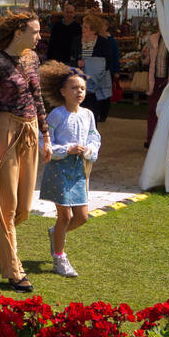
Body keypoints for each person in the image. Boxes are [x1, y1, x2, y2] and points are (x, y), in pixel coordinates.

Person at [0, 10, 52, 293]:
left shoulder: (31, 58)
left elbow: (38, 97)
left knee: (23, 208)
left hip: (30, 131)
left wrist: (46, 134)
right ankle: (14, 271)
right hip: (5, 129)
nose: (39, 36)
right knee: (6, 207)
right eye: (35, 31)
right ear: (19, 33)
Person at [38, 62, 101, 278]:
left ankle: (56, 234)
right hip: (59, 169)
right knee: (64, 215)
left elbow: (94, 136)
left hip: (79, 171)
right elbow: (44, 141)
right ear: (63, 92)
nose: (79, 92)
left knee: (81, 217)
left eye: (82, 88)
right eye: (74, 88)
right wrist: (66, 149)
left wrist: (89, 150)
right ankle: (59, 258)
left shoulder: (88, 115)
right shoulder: (56, 115)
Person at [78, 12, 115, 121]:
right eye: (83, 26)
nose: (82, 28)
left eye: (86, 27)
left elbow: (108, 63)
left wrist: (88, 64)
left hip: (94, 85)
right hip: (78, 82)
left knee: (91, 114)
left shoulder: (104, 43)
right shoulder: (76, 40)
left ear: (93, 30)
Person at [145, 28, 169, 147]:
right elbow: (146, 61)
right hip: (155, 80)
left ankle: (165, 141)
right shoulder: (153, 39)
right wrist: (145, 56)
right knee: (152, 110)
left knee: (167, 111)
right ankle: (151, 140)